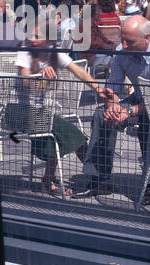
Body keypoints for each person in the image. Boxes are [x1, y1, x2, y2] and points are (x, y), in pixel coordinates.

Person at [74, 15, 150, 205]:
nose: (124, 45)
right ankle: (99, 178)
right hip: (140, 99)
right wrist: (113, 106)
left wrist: (130, 111)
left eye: (130, 41)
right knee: (101, 114)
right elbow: (114, 88)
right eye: (122, 38)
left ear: (147, 37)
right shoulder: (121, 51)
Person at [6, 36, 108, 195]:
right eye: (31, 35)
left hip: (38, 112)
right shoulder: (25, 51)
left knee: (70, 135)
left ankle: (52, 180)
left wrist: (98, 90)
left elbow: (80, 72)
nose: (32, 39)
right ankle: (98, 179)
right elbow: (26, 84)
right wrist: (40, 75)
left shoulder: (54, 54)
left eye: (37, 36)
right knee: (69, 134)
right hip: (18, 112)